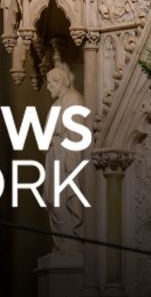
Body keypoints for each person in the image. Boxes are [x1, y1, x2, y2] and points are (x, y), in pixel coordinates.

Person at [44, 63, 86, 254]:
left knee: (63, 199)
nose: (47, 87)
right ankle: (62, 243)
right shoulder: (57, 103)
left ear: (60, 81)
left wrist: (72, 160)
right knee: (53, 200)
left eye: (50, 83)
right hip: (54, 156)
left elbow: (76, 132)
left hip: (65, 156)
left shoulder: (72, 98)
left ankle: (71, 241)